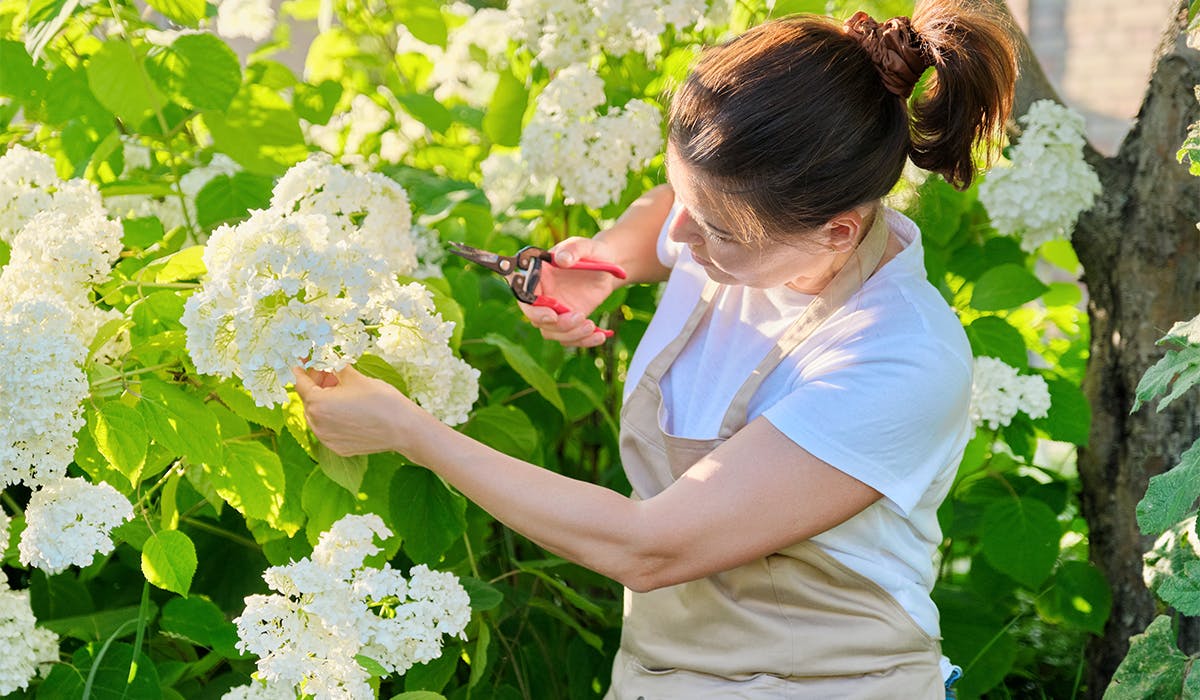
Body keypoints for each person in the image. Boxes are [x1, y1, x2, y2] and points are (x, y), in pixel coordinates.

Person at [291, 2, 1016, 697]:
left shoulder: (897, 357)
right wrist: (602, 261)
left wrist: (410, 432)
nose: (686, 243)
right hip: (665, 676)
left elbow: (650, 546)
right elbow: (672, 217)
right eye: (682, 198)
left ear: (837, 232)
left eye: (716, 231)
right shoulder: (747, 229)